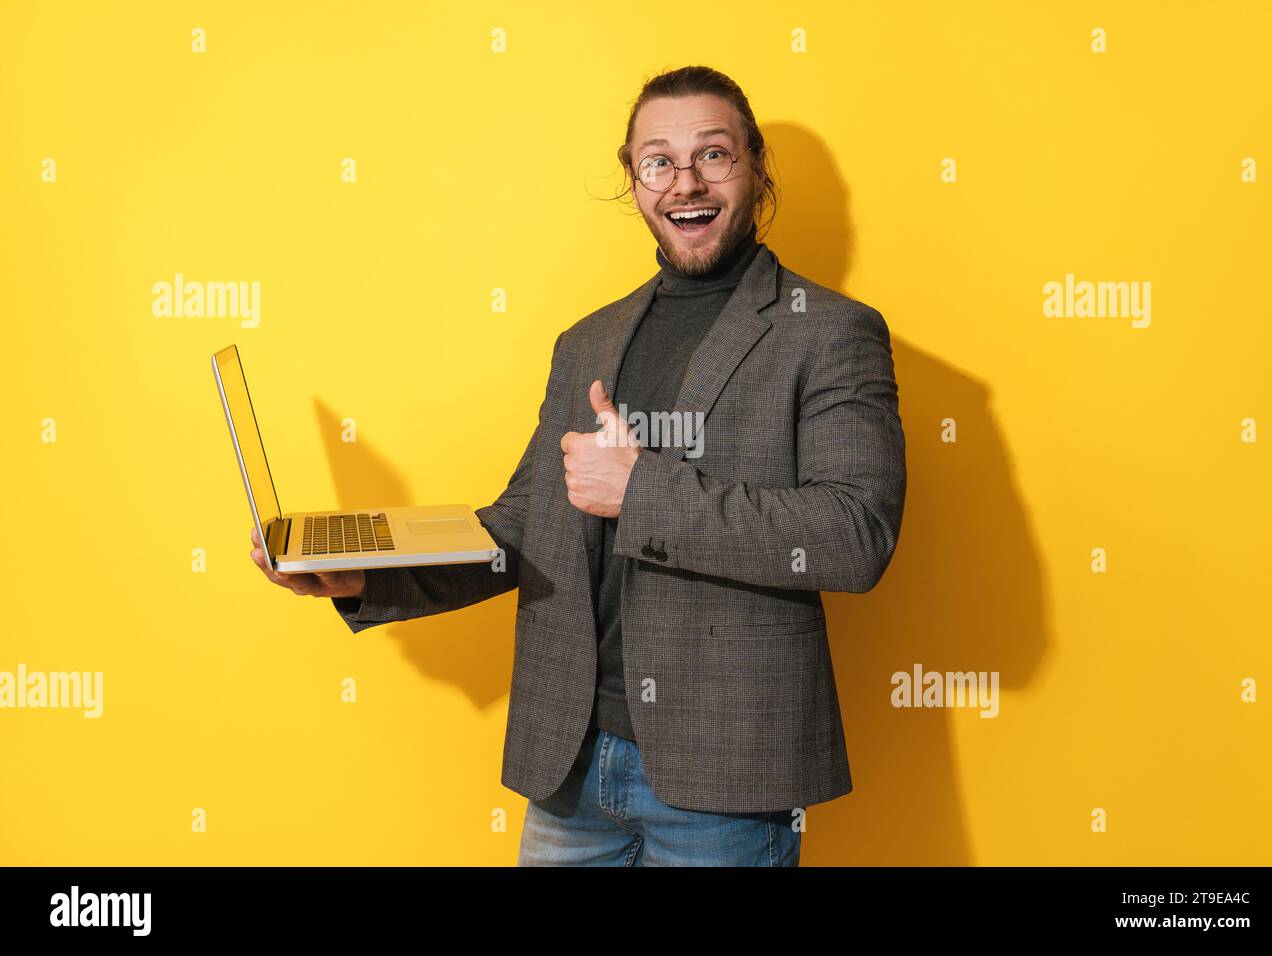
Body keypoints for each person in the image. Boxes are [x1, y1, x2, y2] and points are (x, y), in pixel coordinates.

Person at [251, 65, 906, 866]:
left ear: (756, 166)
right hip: (570, 768)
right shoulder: (587, 342)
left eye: (713, 154)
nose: (685, 183)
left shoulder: (831, 332)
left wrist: (641, 492)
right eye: (658, 161)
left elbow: (855, 534)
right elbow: (521, 530)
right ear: (632, 178)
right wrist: (365, 574)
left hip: (725, 778)